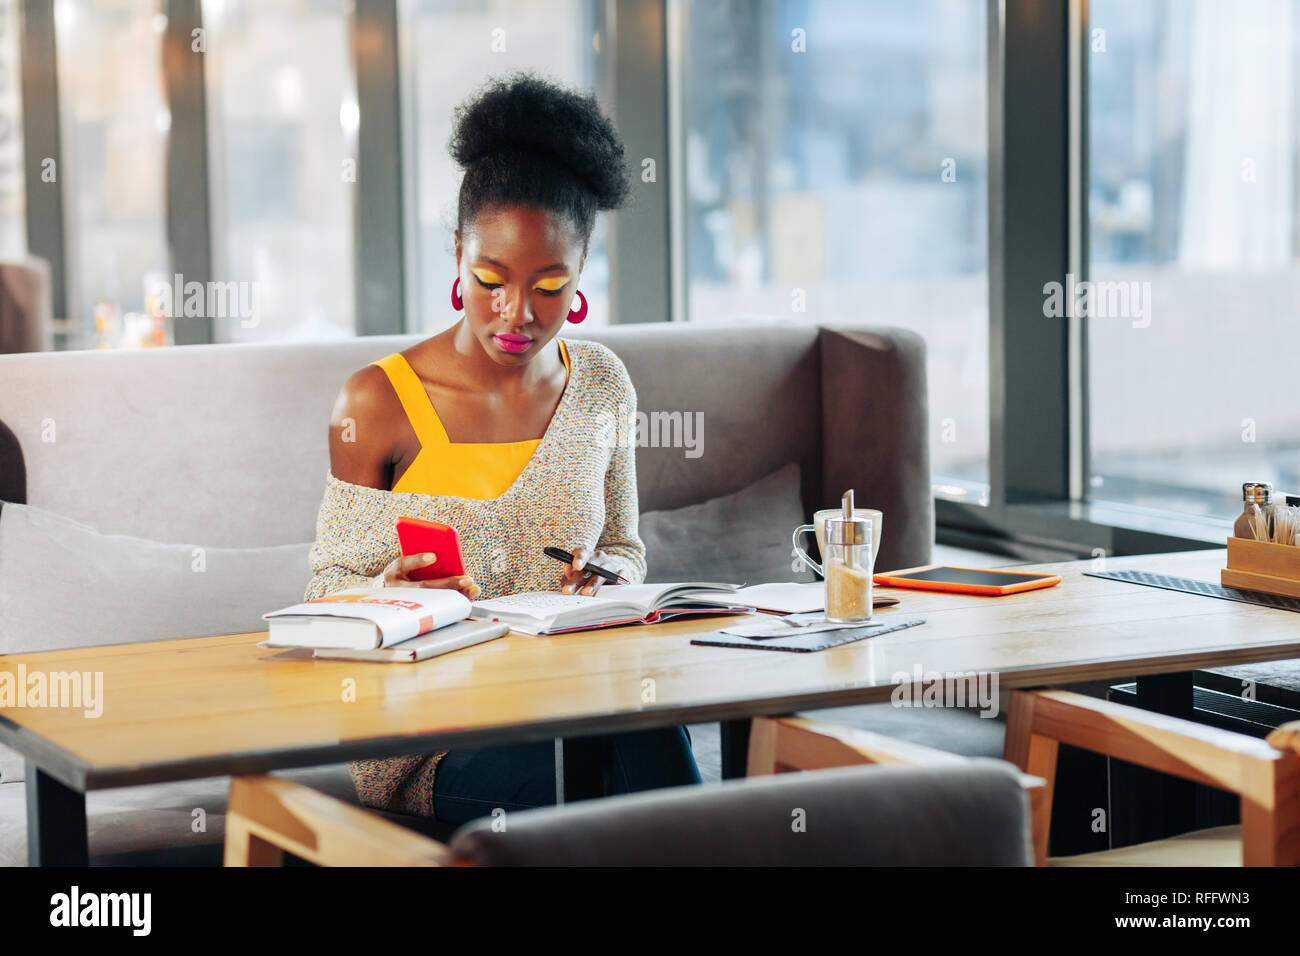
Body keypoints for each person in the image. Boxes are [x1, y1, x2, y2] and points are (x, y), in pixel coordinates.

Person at [313, 72, 702, 825]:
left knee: (646, 736)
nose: (517, 314)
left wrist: (608, 577)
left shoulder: (602, 386)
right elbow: (328, 592)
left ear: (583, 272)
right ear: (457, 253)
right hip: (429, 734)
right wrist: (391, 592)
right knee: (606, 784)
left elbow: (624, 544)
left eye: (550, 285)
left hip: (572, 696)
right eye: (490, 278)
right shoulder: (376, 401)